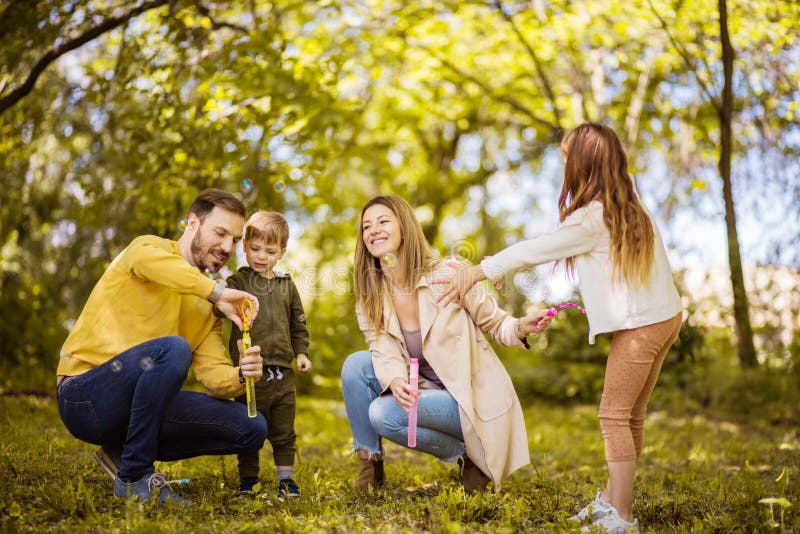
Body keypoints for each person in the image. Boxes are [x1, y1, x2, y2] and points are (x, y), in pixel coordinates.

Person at [434, 123, 683, 533]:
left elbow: (537, 248)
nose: (563, 164)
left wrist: (480, 270)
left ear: (583, 165)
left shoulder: (592, 217)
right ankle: (611, 499)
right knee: (631, 415)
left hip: (642, 328)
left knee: (613, 416)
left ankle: (621, 517)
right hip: (665, 319)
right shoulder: (631, 209)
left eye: (567, 157)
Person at [56, 188, 268, 506]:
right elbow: (159, 267)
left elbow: (213, 376)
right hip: (84, 398)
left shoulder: (207, 303)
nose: (227, 247)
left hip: (139, 410)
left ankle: (123, 455)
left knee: (252, 427)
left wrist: (241, 374)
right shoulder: (148, 249)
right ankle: (134, 477)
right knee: (174, 349)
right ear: (192, 223)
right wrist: (217, 293)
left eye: (235, 240)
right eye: (221, 233)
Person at [340, 195, 553, 494]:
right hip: (425, 388)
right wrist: (397, 379)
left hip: (467, 398)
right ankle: (370, 466)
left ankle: (469, 458)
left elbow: (496, 323)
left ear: (404, 227)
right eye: (366, 226)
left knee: (383, 414)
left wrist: (519, 326)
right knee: (355, 366)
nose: (373, 230)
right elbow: (382, 348)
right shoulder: (371, 294)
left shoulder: (449, 272)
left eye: (383, 221)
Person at [220, 211, 311, 498]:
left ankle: (286, 480)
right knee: (249, 428)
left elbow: (298, 323)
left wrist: (302, 353)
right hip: (249, 373)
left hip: (282, 374)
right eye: (255, 248)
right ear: (244, 245)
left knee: (284, 431)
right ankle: (249, 480)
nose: (261, 256)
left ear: (282, 252)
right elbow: (216, 303)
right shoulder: (237, 282)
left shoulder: (286, 285)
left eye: (270, 251)